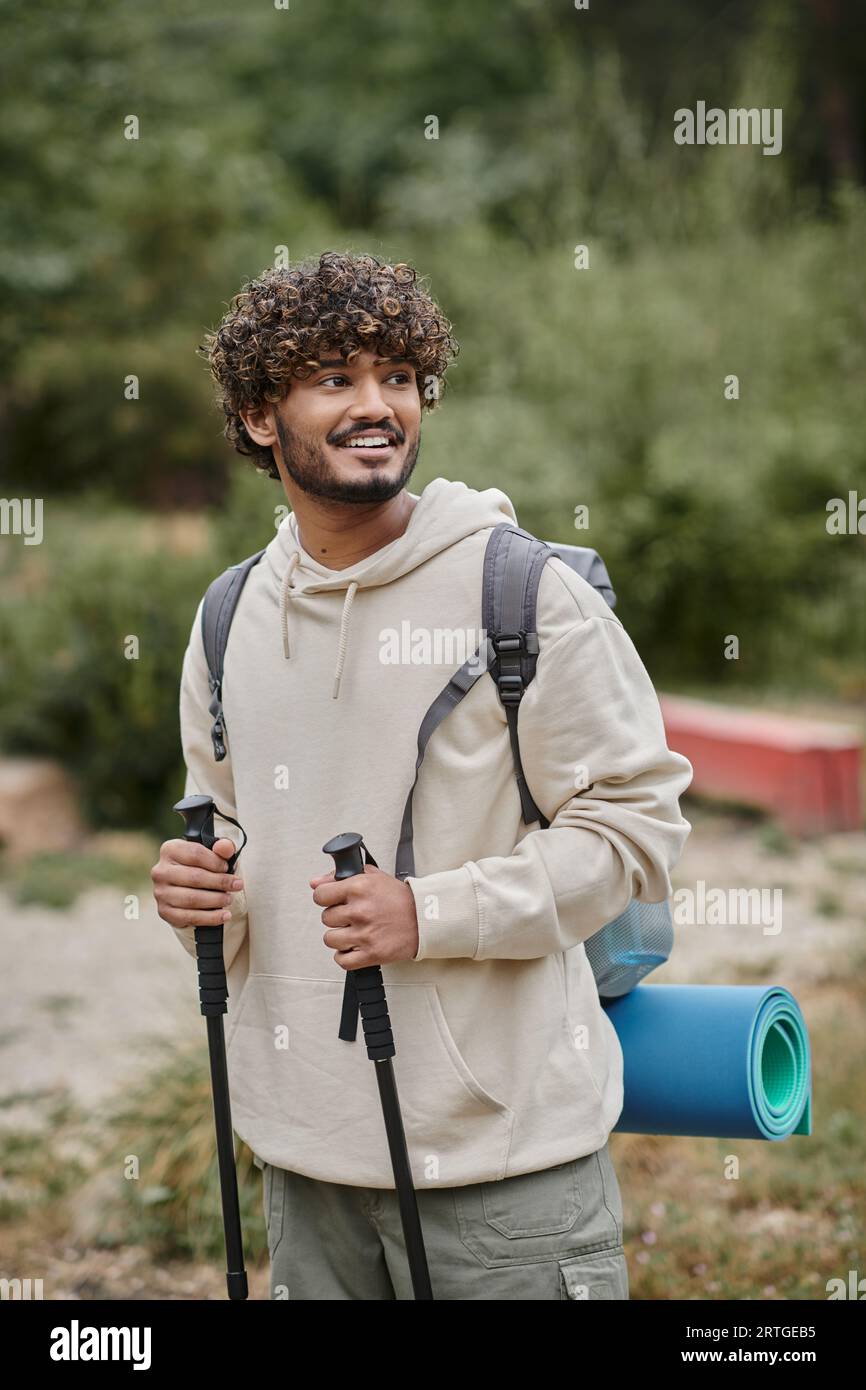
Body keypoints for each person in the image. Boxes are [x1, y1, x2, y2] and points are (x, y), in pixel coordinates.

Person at [151, 249, 693, 1300]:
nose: (377, 406)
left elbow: (634, 827)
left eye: (398, 378)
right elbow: (228, 832)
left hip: (501, 1168)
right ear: (262, 416)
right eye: (335, 379)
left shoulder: (521, 591)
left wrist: (428, 912)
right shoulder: (228, 618)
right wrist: (195, 896)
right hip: (303, 1161)